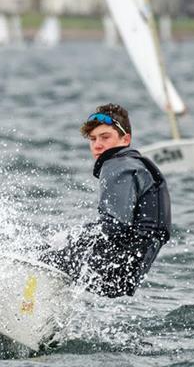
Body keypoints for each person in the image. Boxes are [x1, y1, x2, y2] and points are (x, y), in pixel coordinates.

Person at [39, 103, 171, 298]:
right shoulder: (136, 165)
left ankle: (28, 306)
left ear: (125, 139)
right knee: (56, 256)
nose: (97, 145)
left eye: (105, 137)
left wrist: (70, 238)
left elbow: (115, 226)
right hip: (130, 271)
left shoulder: (118, 165)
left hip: (117, 262)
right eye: (93, 139)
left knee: (40, 255)